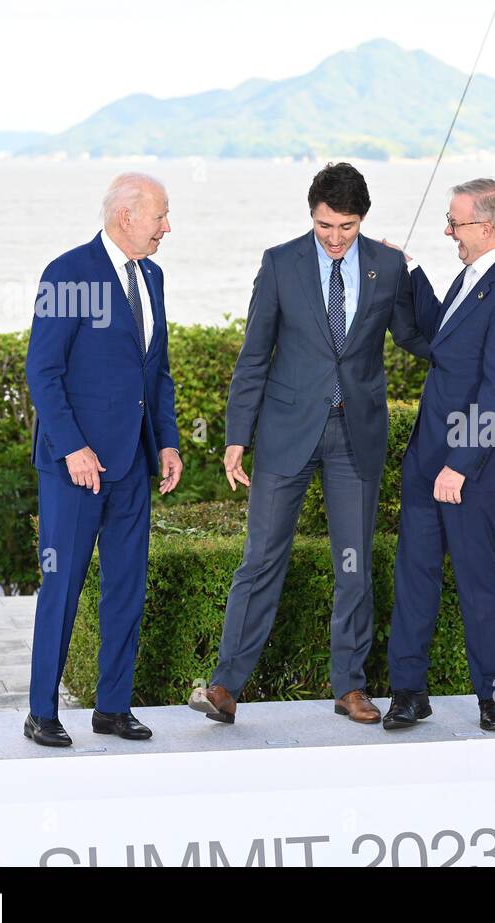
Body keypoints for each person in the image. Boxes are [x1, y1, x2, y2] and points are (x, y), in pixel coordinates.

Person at [187, 163, 431, 726]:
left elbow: (415, 338)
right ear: (312, 215)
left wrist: (418, 275)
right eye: (325, 226)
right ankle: (224, 686)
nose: (336, 237)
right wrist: (235, 438)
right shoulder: (279, 263)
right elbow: (254, 355)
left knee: (354, 565)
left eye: (346, 226)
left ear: (362, 219)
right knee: (260, 560)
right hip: (285, 433)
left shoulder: (388, 265)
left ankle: (350, 687)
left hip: (356, 438)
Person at [24, 172, 182, 747]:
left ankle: (113, 708)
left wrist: (167, 441)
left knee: (126, 589)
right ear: (126, 217)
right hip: (74, 470)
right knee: (60, 588)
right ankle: (41, 710)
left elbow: (155, 371)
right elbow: (42, 371)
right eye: (161, 216)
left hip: (133, 466)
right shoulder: (67, 273)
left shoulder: (154, 276)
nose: (168, 227)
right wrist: (72, 447)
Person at [381, 178, 495, 733]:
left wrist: (459, 463)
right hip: (428, 454)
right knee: (415, 575)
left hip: (472, 466)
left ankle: (492, 699)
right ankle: (408, 693)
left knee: (479, 581)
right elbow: (437, 342)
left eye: (455, 223)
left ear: (487, 227)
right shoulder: (472, 274)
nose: (448, 230)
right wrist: (410, 274)